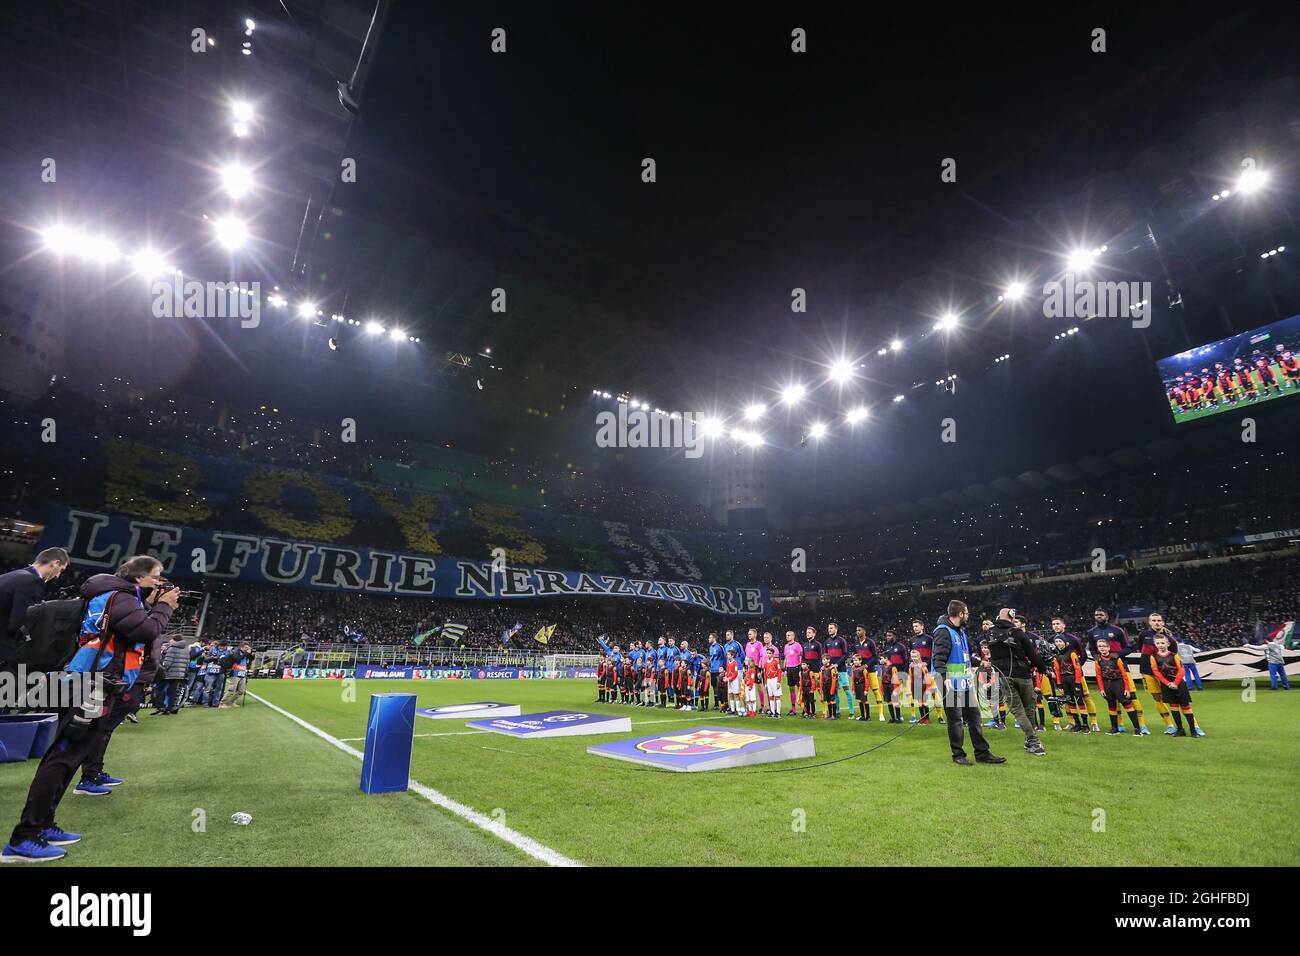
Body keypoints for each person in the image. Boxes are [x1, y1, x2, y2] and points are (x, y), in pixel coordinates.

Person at [2, 555, 177, 862]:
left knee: (70, 757)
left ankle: (42, 824)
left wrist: (154, 604)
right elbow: (146, 631)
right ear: (139, 578)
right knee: (62, 757)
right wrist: (164, 606)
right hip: (91, 686)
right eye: (156, 577)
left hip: (96, 684)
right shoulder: (120, 597)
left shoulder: (119, 596)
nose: (160, 583)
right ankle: (24, 837)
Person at [932, 600, 1004, 766]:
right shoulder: (943, 631)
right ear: (960, 614)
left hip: (964, 682)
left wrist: (981, 663)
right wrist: (944, 677)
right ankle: (958, 754)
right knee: (955, 719)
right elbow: (938, 658)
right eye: (967, 613)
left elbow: (964, 656)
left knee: (974, 717)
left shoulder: (960, 631)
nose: (968, 616)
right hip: (950, 683)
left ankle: (982, 753)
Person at [0, 548, 69, 697]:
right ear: (55, 563)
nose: (58, 576)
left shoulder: (14, 575)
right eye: (60, 570)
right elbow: (20, 622)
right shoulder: (32, 582)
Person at [986, 609, 1048, 756]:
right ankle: (1033, 741)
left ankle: (1030, 740)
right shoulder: (1018, 633)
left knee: (1018, 710)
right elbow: (1032, 655)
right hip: (1023, 675)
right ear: (1012, 617)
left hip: (1004, 676)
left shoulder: (990, 634)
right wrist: (1044, 669)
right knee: (1029, 708)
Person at [1150, 634, 1200, 737]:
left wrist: (1175, 683)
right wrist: (1167, 683)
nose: (1161, 645)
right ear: (1155, 644)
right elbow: (1156, 671)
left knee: (1185, 706)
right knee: (1173, 707)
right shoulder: (1153, 657)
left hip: (1179, 684)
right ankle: (1180, 730)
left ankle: (1193, 730)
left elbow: (1181, 670)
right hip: (1166, 685)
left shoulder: (1174, 655)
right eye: (1158, 643)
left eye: (1163, 643)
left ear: (1168, 644)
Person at [1093, 638, 1143, 735]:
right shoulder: (1098, 660)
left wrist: (1127, 689)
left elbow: (1124, 674)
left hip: (1118, 683)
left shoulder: (1116, 658)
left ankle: (1137, 729)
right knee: (1111, 705)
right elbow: (1098, 675)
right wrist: (1102, 689)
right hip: (1107, 685)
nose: (1102, 648)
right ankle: (1114, 728)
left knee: (1127, 704)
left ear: (1108, 647)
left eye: (1104, 646)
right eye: (1099, 646)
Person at [852, 626, 886, 721]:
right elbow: (855, 657)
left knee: (875, 690)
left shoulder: (870, 642)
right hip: (860, 673)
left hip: (870, 670)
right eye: (857, 630)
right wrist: (853, 664)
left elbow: (875, 657)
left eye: (859, 630)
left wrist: (866, 665)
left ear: (864, 631)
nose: (857, 632)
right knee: (861, 693)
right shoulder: (856, 644)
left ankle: (881, 714)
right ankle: (864, 715)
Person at [824, 622, 854, 719]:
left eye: (831, 628)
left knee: (847, 690)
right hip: (831, 671)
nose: (830, 630)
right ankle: (837, 711)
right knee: (835, 691)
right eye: (829, 628)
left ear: (836, 629)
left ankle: (851, 712)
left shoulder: (841, 641)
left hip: (841, 670)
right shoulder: (827, 641)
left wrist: (837, 664)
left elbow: (846, 655)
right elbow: (825, 656)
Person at [782, 629, 803, 716]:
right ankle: (793, 709)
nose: (787, 637)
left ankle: (803, 708)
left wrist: (800, 669)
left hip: (796, 668)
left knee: (800, 688)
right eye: (786, 635)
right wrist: (784, 669)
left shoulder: (797, 645)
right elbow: (786, 658)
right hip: (789, 669)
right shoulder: (786, 646)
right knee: (791, 689)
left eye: (789, 635)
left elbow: (801, 657)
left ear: (793, 636)